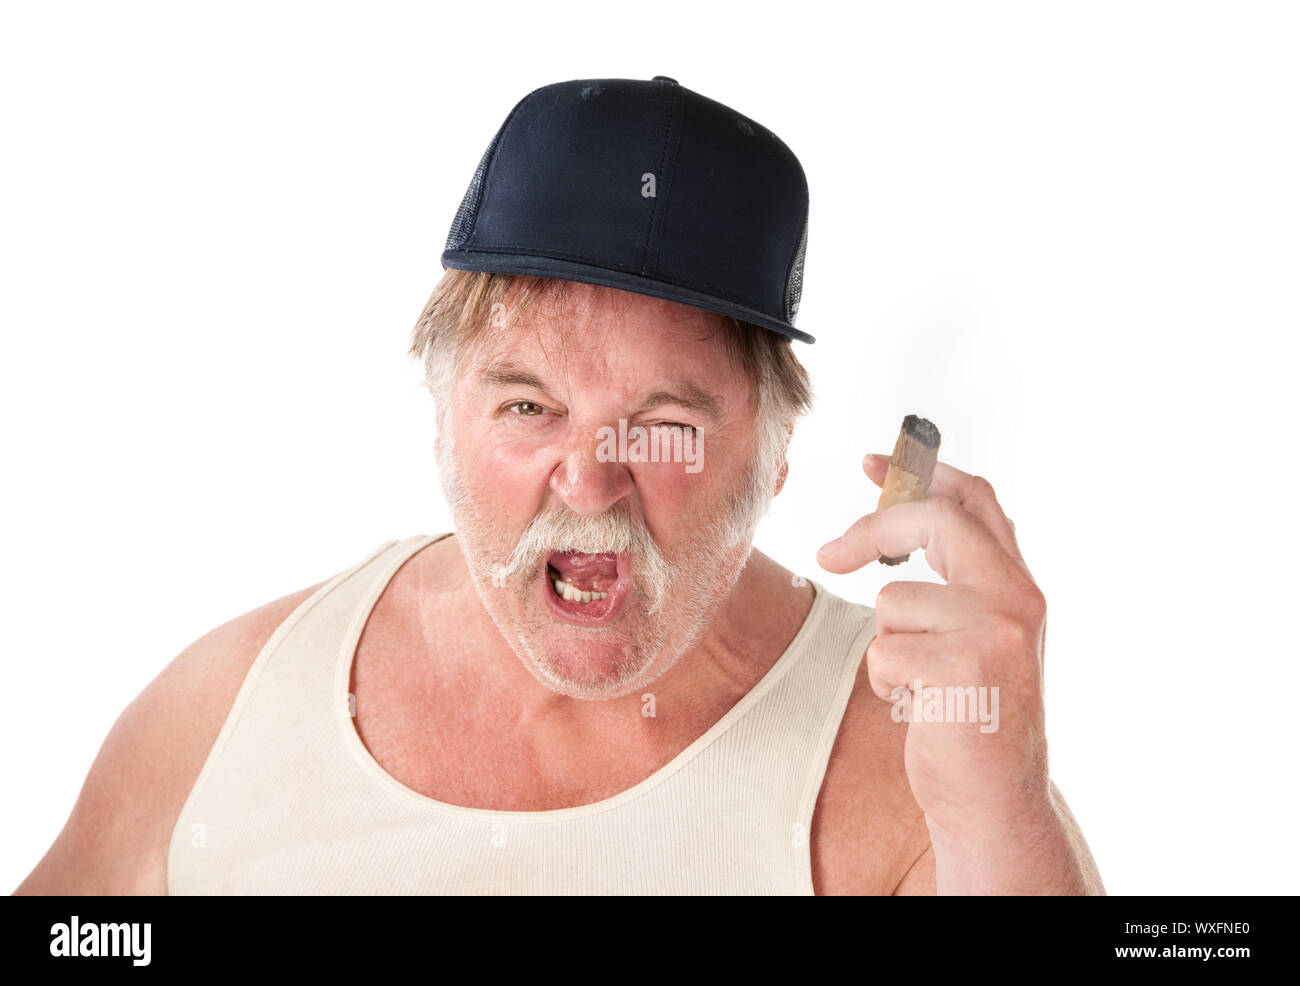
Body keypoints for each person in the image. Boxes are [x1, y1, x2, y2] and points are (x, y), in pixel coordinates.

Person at [15, 75, 1103, 895]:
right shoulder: (233, 706)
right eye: (528, 407)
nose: (588, 483)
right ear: (444, 416)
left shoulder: (908, 762)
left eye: (663, 425)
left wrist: (998, 816)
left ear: (776, 456)